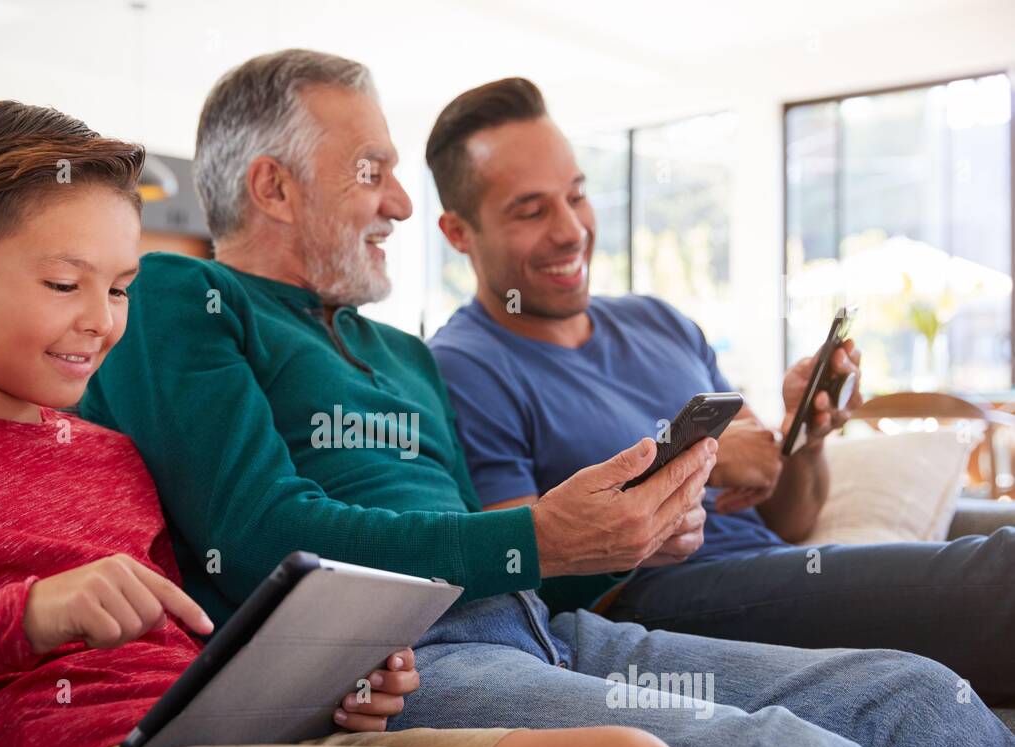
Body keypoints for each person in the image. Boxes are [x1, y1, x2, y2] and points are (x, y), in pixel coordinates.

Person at [0, 99, 759, 747]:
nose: (102, 322)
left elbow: (185, 660)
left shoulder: (112, 458)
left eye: (120, 287)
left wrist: (321, 690)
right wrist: (24, 616)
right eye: (64, 285)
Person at [82, 48, 1015, 747]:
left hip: (537, 630)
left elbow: (512, 570)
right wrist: (536, 535)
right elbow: (259, 539)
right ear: (272, 187)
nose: (402, 204)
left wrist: (628, 532)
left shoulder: (400, 353)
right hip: (395, 665)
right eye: (373, 172)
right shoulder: (183, 295)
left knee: (918, 702)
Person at [425, 77, 1015, 703]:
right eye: (532, 210)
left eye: (577, 196)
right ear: (459, 232)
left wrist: (803, 440)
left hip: (774, 571)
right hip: (656, 601)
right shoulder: (462, 366)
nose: (572, 231)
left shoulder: (659, 320)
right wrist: (700, 459)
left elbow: (791, 520)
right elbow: (520, 577)